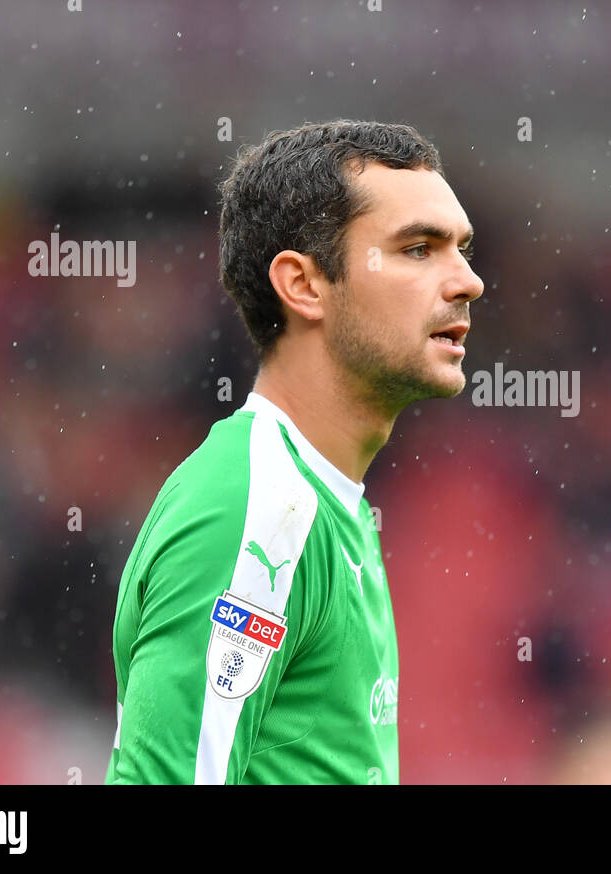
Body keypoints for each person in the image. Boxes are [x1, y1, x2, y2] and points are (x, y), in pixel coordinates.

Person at [105, 119, 483, 784]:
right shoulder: (261, 516)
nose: (468, 281)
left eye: (463, 249)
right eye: (419, 250)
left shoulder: (329, 501)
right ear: (304, 285)